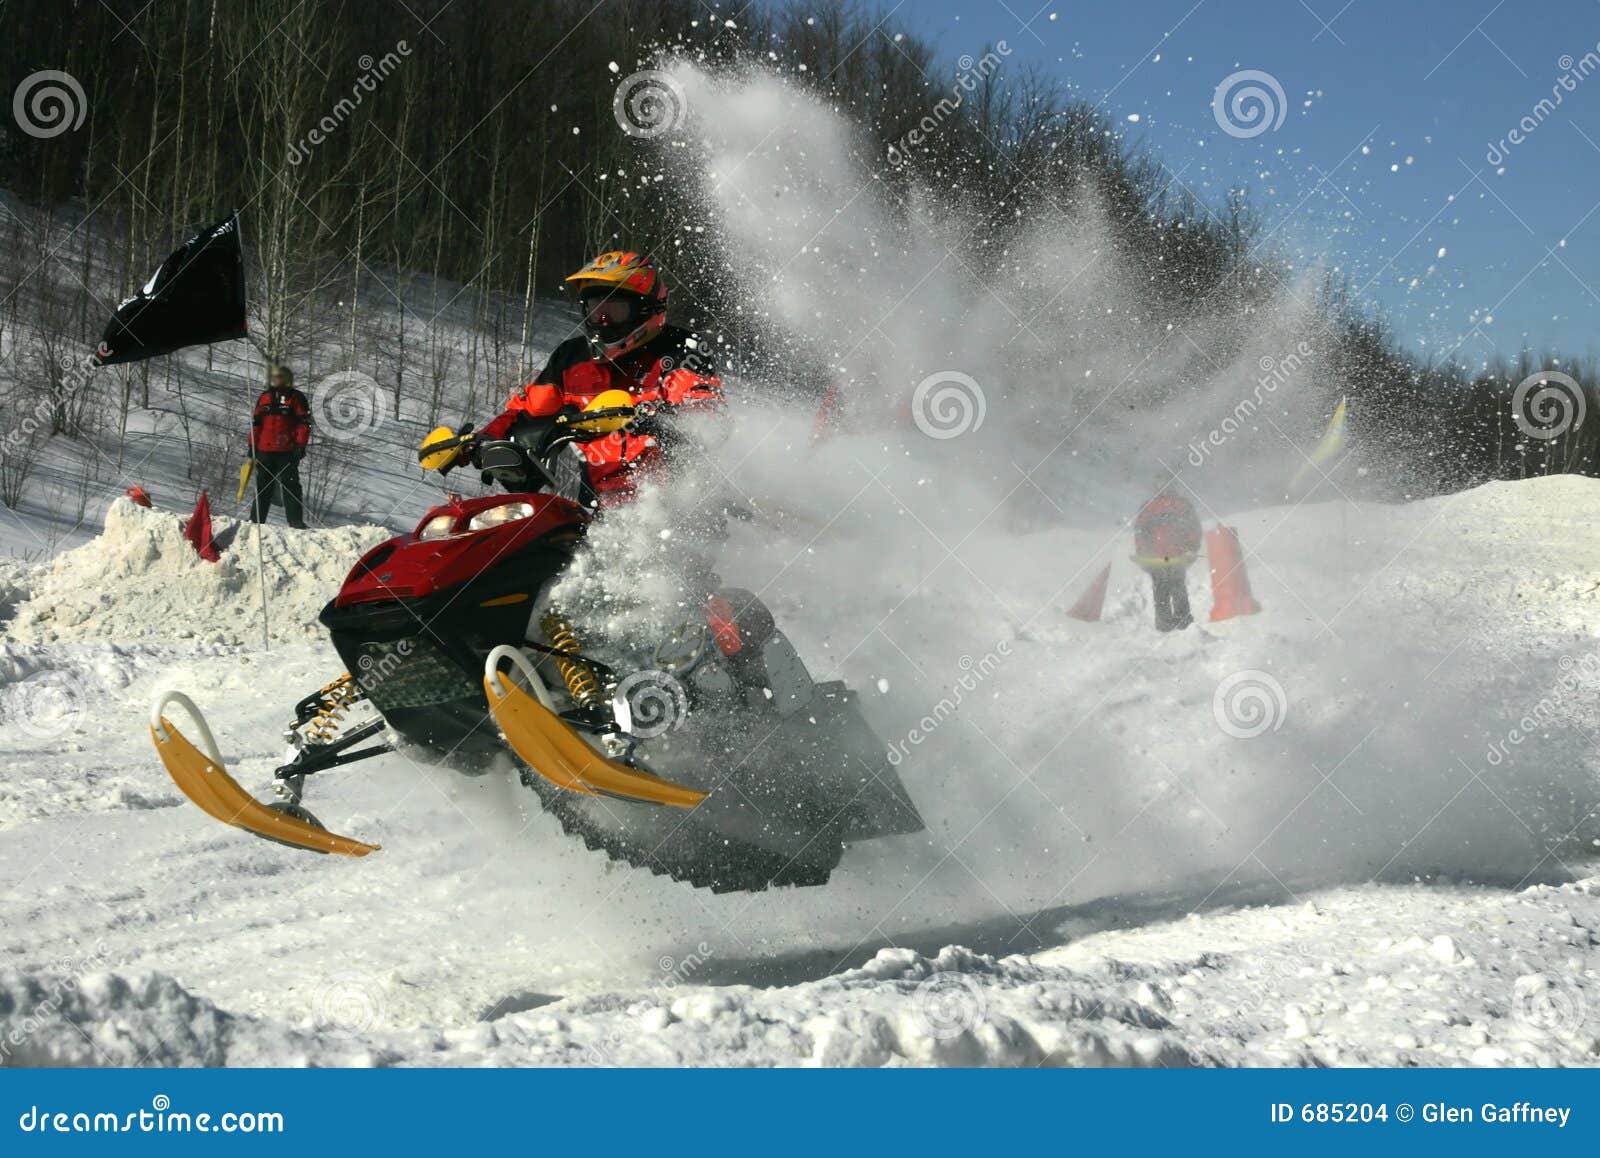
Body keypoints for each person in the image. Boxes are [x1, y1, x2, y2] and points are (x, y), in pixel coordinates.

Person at [447, 251, 723, 504]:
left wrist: (653, 417)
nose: (602, 320)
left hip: (675, 502)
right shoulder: (573, 357)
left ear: (647, 308)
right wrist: (482, 440)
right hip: (596, 503)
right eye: (595, 308)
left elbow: (705, 415)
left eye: (614, 310)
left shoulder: (680, 348)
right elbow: (526, 410)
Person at [1133, 481, 1202, 632]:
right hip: (1176, 556)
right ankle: (1183, 623)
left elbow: (1140, 533)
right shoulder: (1182, 505)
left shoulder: (1148, 507)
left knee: (1161, 591)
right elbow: (1193, 529)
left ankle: (1164, 624)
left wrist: (1142, 552)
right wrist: (1191, 548)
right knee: (1177, 588)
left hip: (1157, 557)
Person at [249, 364, 311, 528]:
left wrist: (300, 445)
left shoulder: (296, 397)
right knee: (263, 486)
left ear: (287, 379)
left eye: (279, 377)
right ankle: (255, 521)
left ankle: (295, 521)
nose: (276, 380)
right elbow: (256, 424)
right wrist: (252, 446)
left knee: (291, 486)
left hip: (287, 451)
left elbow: (303, 424)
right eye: (274, 377)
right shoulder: (264, 397)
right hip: (264, 450)